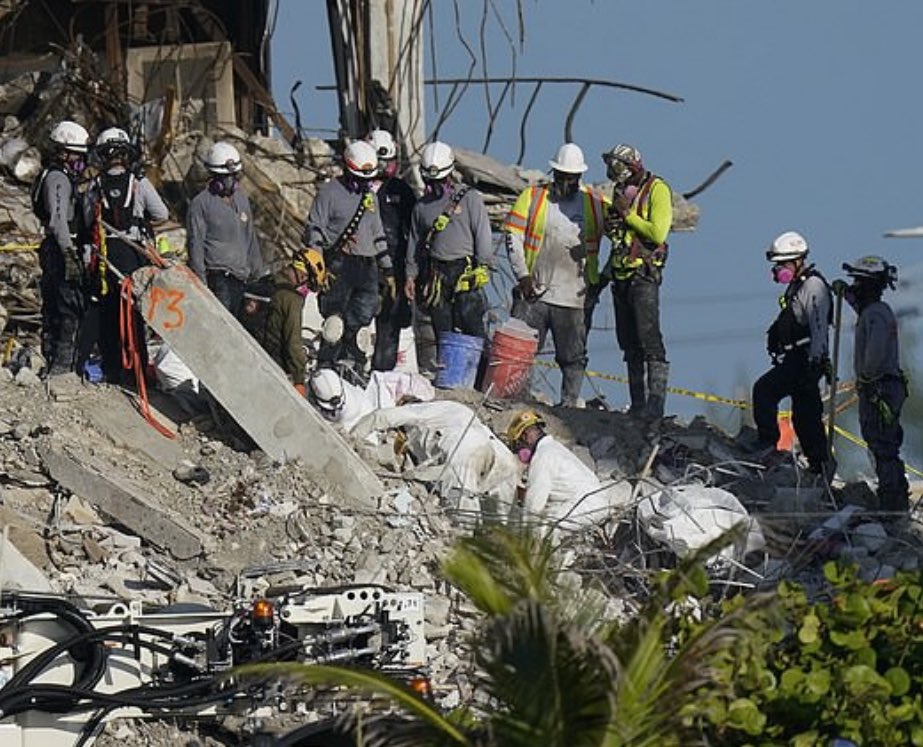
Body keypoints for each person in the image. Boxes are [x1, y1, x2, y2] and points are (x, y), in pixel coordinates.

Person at [504, 143, 608, 406]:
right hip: (535, 291)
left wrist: (604, 278)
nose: (567, 182)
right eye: (562, 176)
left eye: (572, 178)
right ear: (555, 173)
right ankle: (514, 397)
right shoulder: (534, 197)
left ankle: (569, 405)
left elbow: (622, 238)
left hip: (575, 297)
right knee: (521, 348)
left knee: (573, 356)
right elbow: (512, 235)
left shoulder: (595, 204)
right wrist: (522, 275)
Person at [84, 126, 169, 384]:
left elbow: (88, 221)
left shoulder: (94, 186)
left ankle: (113, 370)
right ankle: (139, 372)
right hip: (133, 257)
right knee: (134, 317)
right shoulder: (139, 183)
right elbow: (162, 214)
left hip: (106, 259)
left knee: (109, 316)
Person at [748, 231, 833, 478]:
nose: (778, 270)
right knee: (805, 417)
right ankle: (819, 464)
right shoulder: (798, 286)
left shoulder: (813, 286)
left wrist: (815, 363)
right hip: (797, 358)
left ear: (797, 260)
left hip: (805, 359)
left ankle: (768, 445)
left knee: (764, 390)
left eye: (782, 264)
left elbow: (819, 328)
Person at [351, 397, 520, 519]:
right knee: (499, 523)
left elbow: (383, 416)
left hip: (467, 450)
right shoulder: (449, 414)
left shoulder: (424, 411)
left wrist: (352, 436)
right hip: (503, 458)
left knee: (462, 515)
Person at [600, 144, 673, 419]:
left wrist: (628, 215)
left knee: (649, 340)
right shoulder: (620, 191)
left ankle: (655, 406)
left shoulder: (657, 189)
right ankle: (638, 404)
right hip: (621, 274)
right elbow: (619, 236)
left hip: (644, 274)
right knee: (629, 343)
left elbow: (657, 232)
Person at [305, 140, 391, 370]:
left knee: (361, 329)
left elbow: (377, 232)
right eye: (361, 179)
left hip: (367, 266)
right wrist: (317, 264)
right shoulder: (330, 193)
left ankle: (354, 368)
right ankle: (326, 369)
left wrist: (387, 268)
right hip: (338, 265)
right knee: (334, 325)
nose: (365, 184)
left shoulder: (370, 198)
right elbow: (315, 228)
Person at [404, 141, 494, 359]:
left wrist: (483, 266)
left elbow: (482, 233)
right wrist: (410, 276)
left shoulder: (469, 199)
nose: (434, 185)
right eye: (430, 180)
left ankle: (481, 375)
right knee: (442, 328)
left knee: (472, 325)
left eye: (439, 180)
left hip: (465, 270)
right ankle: (451, 373)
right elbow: (415, 244)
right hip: (437, 275)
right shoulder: (421, 207)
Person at [839, 256, 909, 512]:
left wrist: (867, 378)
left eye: (859, 282)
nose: (855, 288)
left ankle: (893, 501)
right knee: (879, 441)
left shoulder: (875, 314)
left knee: (883, 443)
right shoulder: (875, 312)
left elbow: (876, 353)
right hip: (882, 385)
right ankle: (892, 496)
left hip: (880, 387)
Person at [32, 120, 90, 377]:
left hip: (57, 248)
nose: (81, 161)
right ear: (64, 152)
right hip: (59, 250)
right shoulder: (58, 179)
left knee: (57, 305)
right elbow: (58, 221)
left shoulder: (54, 175)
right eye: (77, 154)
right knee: (67, 307)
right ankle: (60, 367)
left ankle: (57, 363)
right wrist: (69, 254)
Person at [506, 409, 624, 534]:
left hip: (587, 505)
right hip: (593, 502)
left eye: (518, 445)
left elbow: (533, 507)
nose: (520, 453)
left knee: (545, 528)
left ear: (525, 436)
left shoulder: (542, 457)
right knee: (549, 515)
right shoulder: (554, 448)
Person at [186, 141, 266, 316]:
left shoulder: (242, 200)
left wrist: (259, 276)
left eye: (234, 176)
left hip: (242, 278)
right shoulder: (201, 204)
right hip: (218, 278)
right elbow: (195, 245)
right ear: (214, 177)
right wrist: (201, 284)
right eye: (225, 177)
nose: (231, 181)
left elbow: (250, 239)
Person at [366, 130, 417, 372]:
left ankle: (383, 374)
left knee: (390, 322)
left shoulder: (402, 192)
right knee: (357, 318)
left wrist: (411, 271)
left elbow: (414, 232)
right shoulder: (356, 188)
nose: (388, 167)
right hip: (362, 263)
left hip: (393, 266)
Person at [257, 249, 328, 395]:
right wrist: (299, 379)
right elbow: (292, 341)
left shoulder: (265, 282)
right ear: (303, 276)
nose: (306, 289)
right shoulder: (291, 299)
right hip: (271, 362)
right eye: (308, 284)